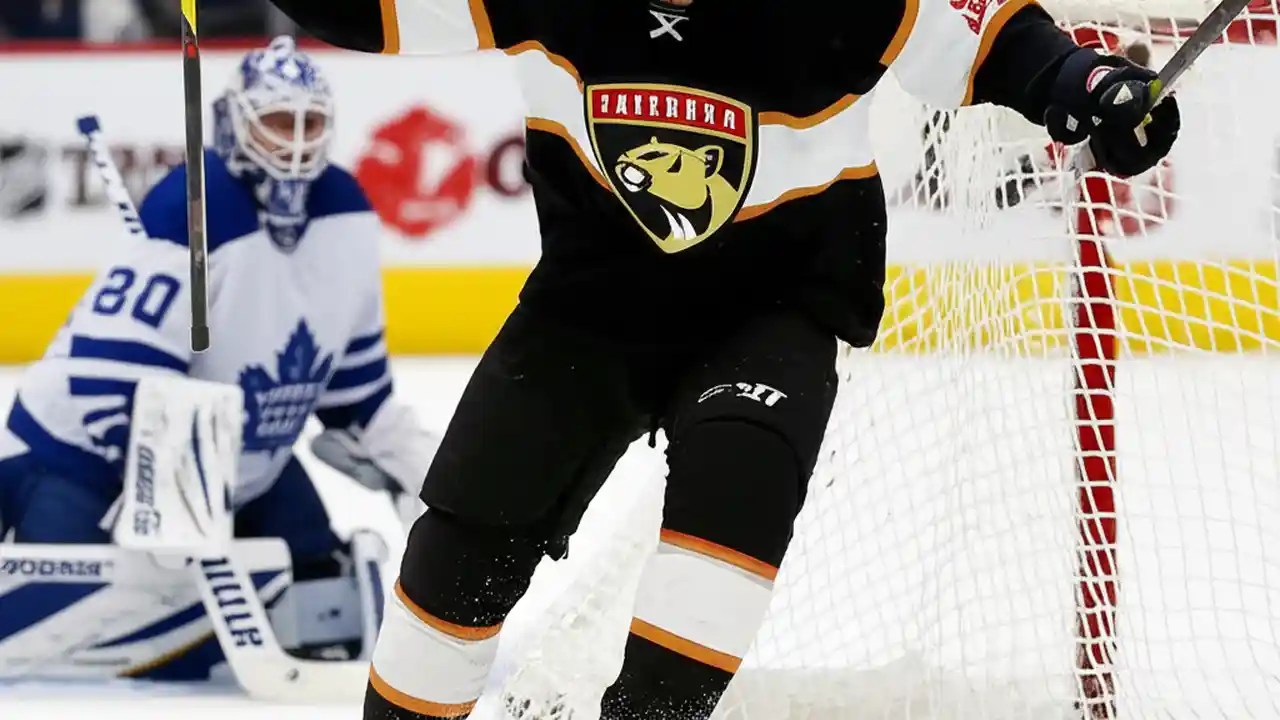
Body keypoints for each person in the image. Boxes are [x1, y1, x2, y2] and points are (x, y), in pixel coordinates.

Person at [264, 1, 1181, 718]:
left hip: (774, 308)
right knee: (456, 559)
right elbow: (360, 9)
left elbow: (999, 42)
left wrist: (1092, 84)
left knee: (721, 543)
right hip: (591, 306)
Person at [0, 36, 435, 672]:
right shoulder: (196, 208)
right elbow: (105, 378)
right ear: (236, 122)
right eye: (278, 121)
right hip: (83, 466)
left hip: (244, 467)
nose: (295, 142)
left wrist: (436, 482)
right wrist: (177, 500)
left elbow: (356, 396)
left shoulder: (347, 214)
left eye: (310, 122)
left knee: (317, 601)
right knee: (69, 651)